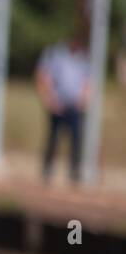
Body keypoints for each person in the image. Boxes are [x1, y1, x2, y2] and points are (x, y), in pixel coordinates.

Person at [35, 31, 91, 183]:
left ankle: (75, 172)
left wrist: (84, 100)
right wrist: (49, 99)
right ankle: (47, 170)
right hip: (57, 104)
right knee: (53, 139)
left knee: (76, 140)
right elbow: (43, 76)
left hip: (75, 106)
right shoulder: (55, 54)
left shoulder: (84, 58)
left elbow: (87, 81)